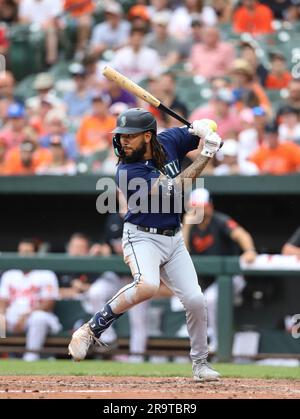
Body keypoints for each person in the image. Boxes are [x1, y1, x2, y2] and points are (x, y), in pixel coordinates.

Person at [68, 107, 222, 381]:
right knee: (147, 285)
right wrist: (207, 154)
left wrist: (204, 129)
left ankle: (200, 364)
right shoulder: (127, 171)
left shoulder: (170, 139)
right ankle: (91, 329)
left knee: (196, 300)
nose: (123, 141)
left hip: (173, 238)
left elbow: (201, 131)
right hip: (142, 237)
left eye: (130, 136)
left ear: (149, 137)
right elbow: (176, 188)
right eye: (121, 136)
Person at [183, 188, 257, 352]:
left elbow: (241, 234)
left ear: (209, 206)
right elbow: (182, 253)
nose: (198, 210)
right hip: (206, 281)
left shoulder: (220, 220)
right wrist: (186, 226)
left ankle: (217, 343)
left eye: (201, 207)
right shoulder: (189, 226)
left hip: (231, 278)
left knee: (209, 299)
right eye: (195, 207)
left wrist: (250, 250)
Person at [0, 238, 61, 361]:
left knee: (39, 318)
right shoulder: (9, 274)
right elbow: (2, 301)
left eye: (28, 251)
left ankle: (31, 358)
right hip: (12, 317)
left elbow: (48, 304)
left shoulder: (46, 274)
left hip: (35, 317)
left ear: (35, 254)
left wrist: (26, 315)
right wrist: (2, 318)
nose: (24, 255)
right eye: (21, 251)